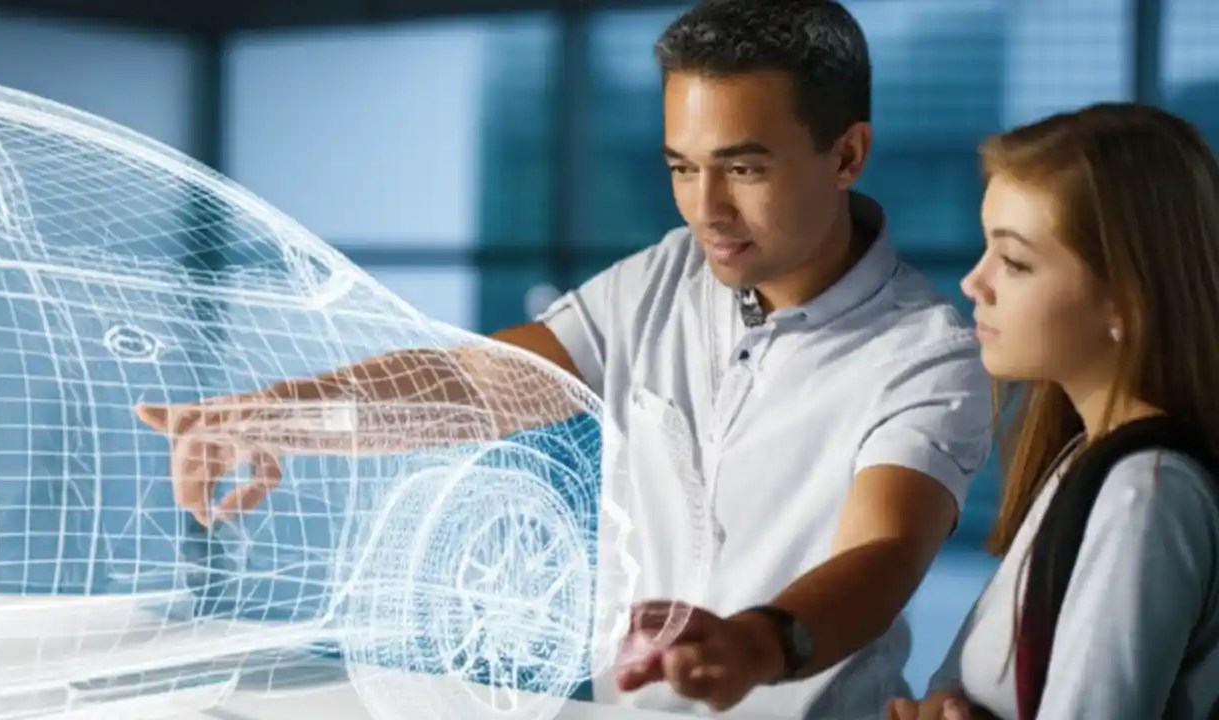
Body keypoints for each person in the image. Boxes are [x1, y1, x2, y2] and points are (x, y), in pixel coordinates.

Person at [137, 1, 993, 717]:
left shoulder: (925, 355)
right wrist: (281, 415)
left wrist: (760, 642)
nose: (707, 208)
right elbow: (478, 384)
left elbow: (883, 553)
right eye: (682, 167)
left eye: (743, 167)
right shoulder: (664, 277)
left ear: (846, 154)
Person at [888, 102, 1219, 720]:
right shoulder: (1085, 460)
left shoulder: (1144, 494)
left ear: (1124, 301)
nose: (974, 281)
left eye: (1014, 262)